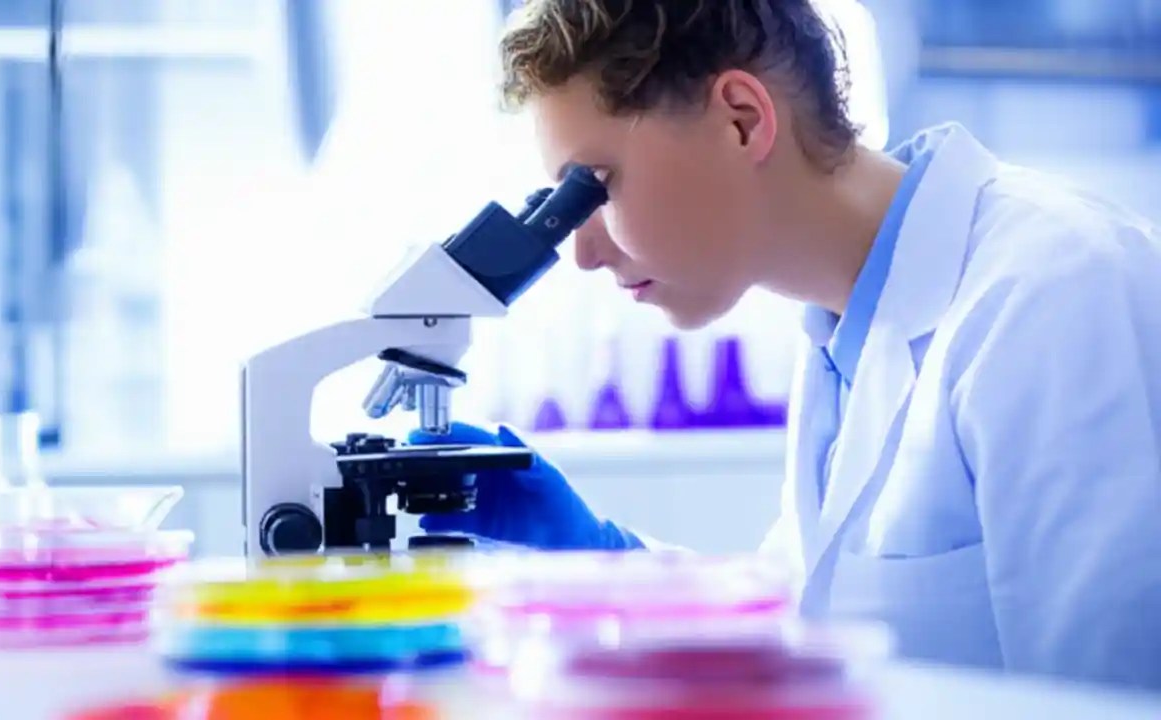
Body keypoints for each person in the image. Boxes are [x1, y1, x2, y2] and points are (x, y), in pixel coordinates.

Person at [409, 0, 1161, 690]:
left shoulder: (1055, 291)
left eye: (594, 187)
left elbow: (1106, 697)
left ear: (741, 119)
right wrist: (595, 554)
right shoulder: (843, 337)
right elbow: (804, 637)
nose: (583, 252)